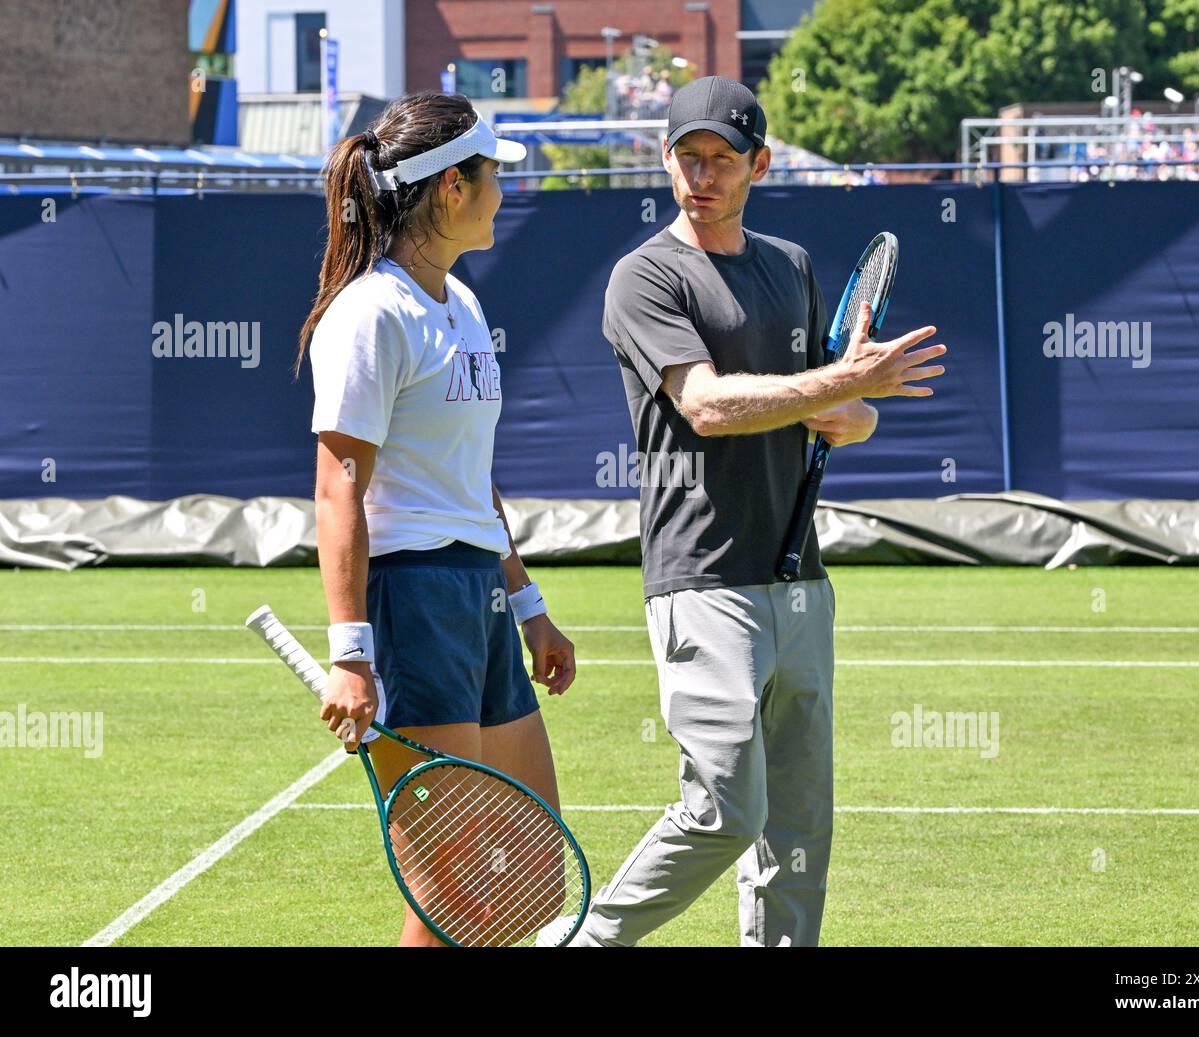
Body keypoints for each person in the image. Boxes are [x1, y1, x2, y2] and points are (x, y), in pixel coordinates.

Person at [545, 76, 945, 947]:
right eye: (687, 156)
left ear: (759, 164)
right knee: (725, 810)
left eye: (722, 159)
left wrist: (857, 408)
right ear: (665, 160)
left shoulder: (790, 266)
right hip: (703, 579)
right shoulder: (644, 276)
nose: (702, 174)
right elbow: (711, 406)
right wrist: (843, 383)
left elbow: (834, 415)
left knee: (799, 829)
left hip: (800, 579)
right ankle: (581, 942)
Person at [296, 91, 578, 946]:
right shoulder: (369, 314)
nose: (505, 193)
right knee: (453, 898)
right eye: (494, 177)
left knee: (532, 883)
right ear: (453, 187)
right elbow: (338, 485)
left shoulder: (462, 303)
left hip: (480, 601)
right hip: (411, 604)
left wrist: (527, 606)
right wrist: (351, 655)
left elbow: (472, 480)